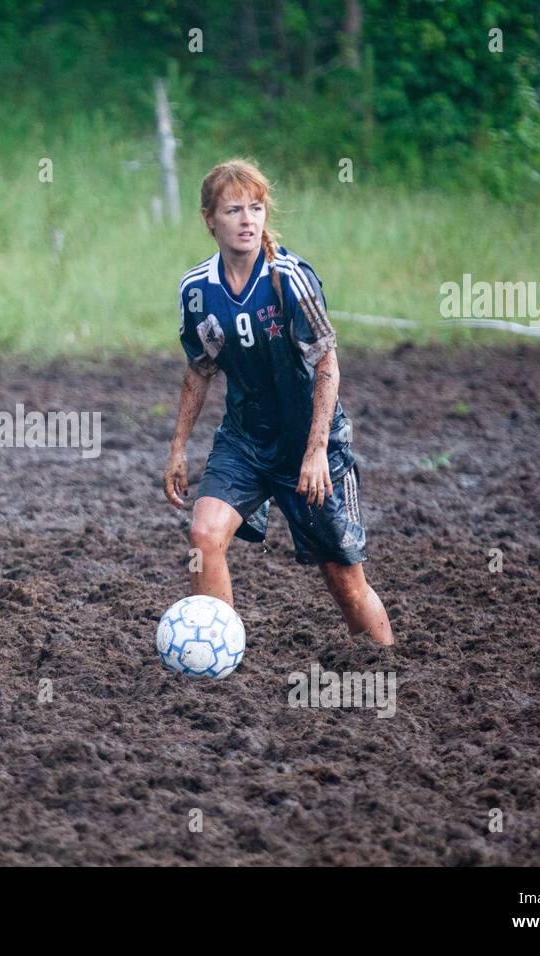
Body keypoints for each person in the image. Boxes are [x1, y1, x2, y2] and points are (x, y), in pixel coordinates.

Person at [162, 159, 394, 646]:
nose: (247, 219)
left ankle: (386, 671)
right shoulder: (197, 291)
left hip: (311, 442)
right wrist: (178, 447)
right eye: (233, 210)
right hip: (245, 441)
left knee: (345, 583)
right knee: (205, 537)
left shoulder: (289, 279)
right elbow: (201, 368)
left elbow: (328, 366)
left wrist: (314, 453)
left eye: (256, 208)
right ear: (210, 220)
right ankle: (215, 670)